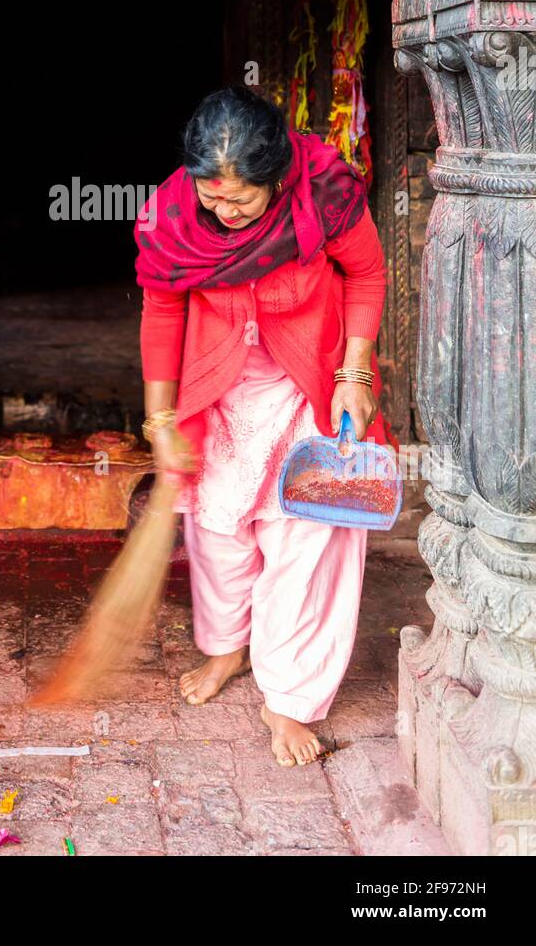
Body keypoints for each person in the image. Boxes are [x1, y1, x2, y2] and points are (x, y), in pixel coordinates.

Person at [135, 86, 387, 767]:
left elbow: (364, 276)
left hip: (312, 386)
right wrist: (161, 417)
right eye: (211, 197)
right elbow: (161, 311)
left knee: (306, 547)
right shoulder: (171, 217)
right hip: (217, 394)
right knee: (216, 536)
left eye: (239, 200)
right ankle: (228, 650)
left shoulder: (326, 192)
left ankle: (289, 698)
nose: (221, 211)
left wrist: (354, 376)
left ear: (278, 182)